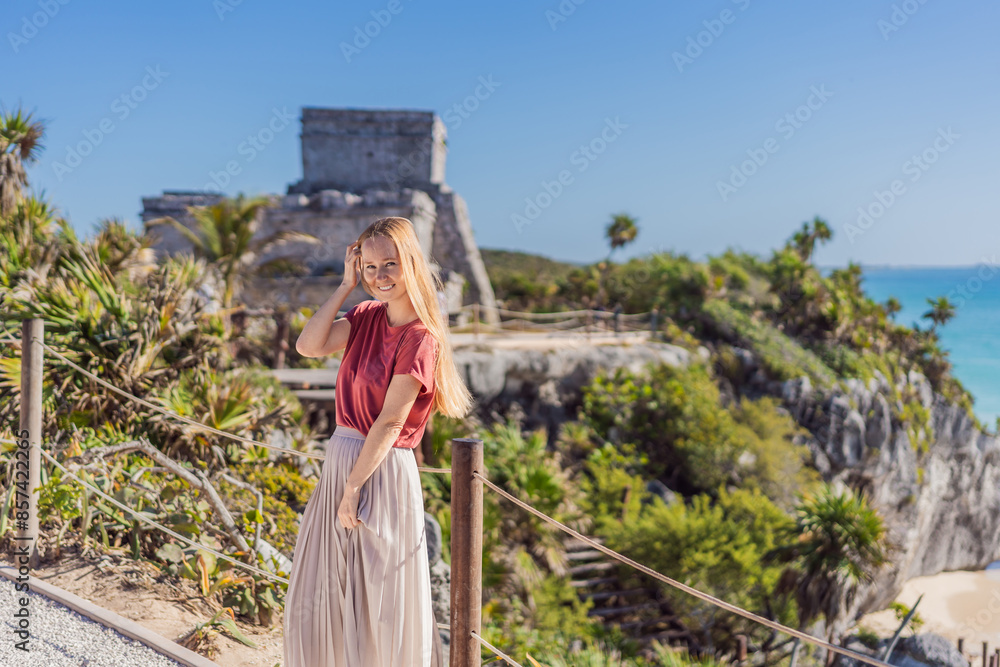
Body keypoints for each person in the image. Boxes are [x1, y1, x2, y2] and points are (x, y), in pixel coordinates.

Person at [284, 217, 474, 666]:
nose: (380, 276)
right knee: (321, 589)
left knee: (377, 599)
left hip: (381, 469)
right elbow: (308, 347)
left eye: (390, 264)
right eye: (370, 266)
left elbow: (391, 422)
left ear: (411, 264)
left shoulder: (421, 338)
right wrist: (345, 286)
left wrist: (353, 489)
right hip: (344, 460)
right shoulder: (366, 315)